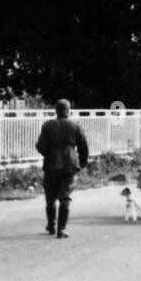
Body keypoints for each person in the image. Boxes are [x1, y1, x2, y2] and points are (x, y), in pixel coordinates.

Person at [36, 99, 90, 239]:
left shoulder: (47, 125)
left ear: (56, 111)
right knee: (65, 197)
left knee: (50, 197)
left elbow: (40, 146)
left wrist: (48, 154)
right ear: (68, 110)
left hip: (51, 164)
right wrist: (82, 163)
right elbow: (83, 147)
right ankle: (61, 229)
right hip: (70, 164)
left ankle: (51, 225)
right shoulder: (75, 125)